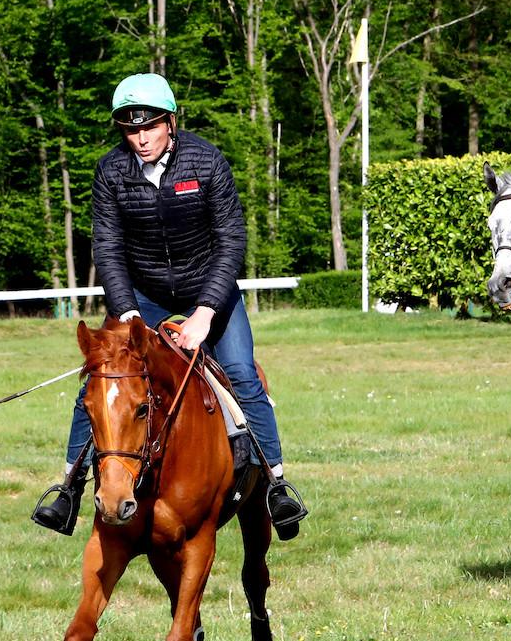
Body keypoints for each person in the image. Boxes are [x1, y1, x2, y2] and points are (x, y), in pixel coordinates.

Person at [32, 72, 308, 538]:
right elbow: (109, 249)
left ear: (170, 122)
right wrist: (128, 312)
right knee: (102, 379)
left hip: (210, 293)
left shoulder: (207, 161)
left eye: (150, 126)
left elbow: (231, 243)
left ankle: (277, 485)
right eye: (131, 129)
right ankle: (68, 487)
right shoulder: (110, 172)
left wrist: (205, 313)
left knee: (241, 372)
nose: (140, 138)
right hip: (142, 296)